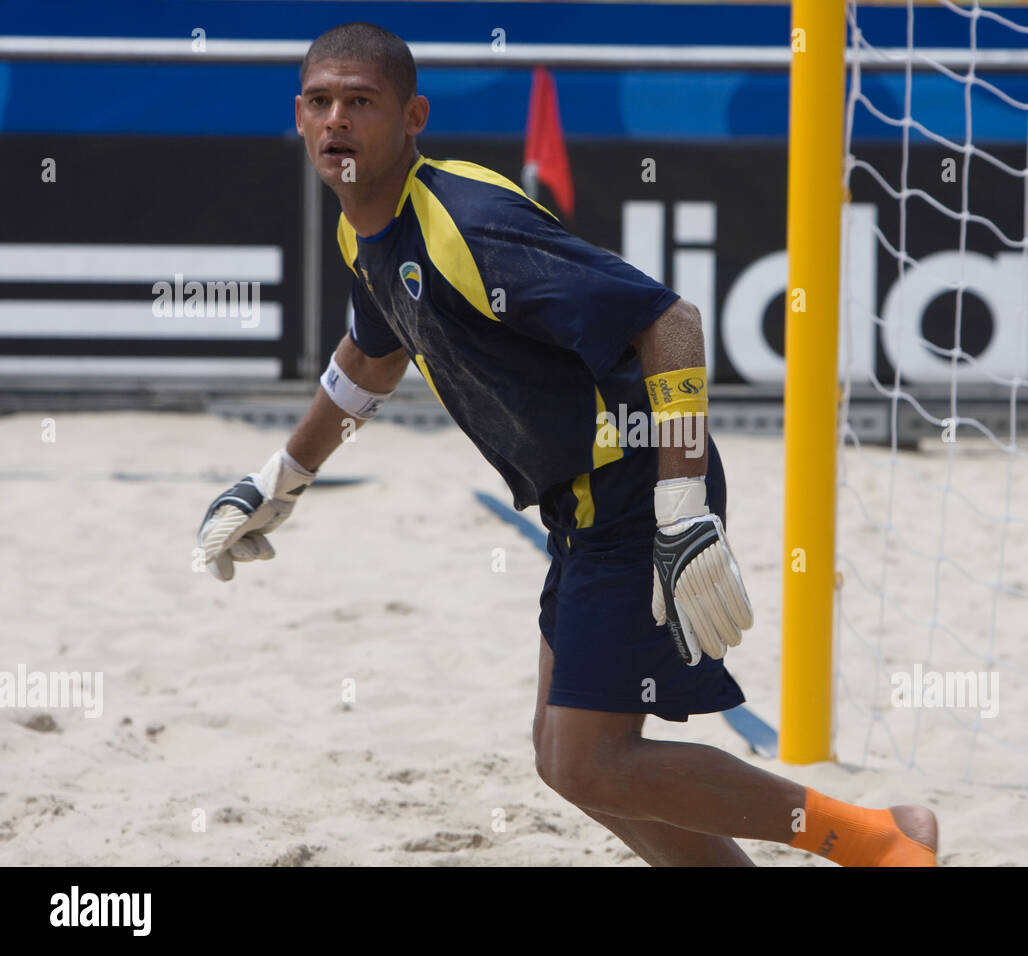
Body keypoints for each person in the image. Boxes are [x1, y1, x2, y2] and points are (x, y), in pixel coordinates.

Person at [197, 21, 937, 867]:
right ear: (298, 117)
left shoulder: (466, 222)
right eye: (321, 103)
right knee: (568, 763)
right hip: (581, 505)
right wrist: (278, 481)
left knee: (594, 757)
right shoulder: (365, 230)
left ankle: (881, 842)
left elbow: (671, 322)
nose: (337, 122)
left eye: (360, 103)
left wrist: (682, 508)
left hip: (640, 488)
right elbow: (369, 357)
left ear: (413, 118)